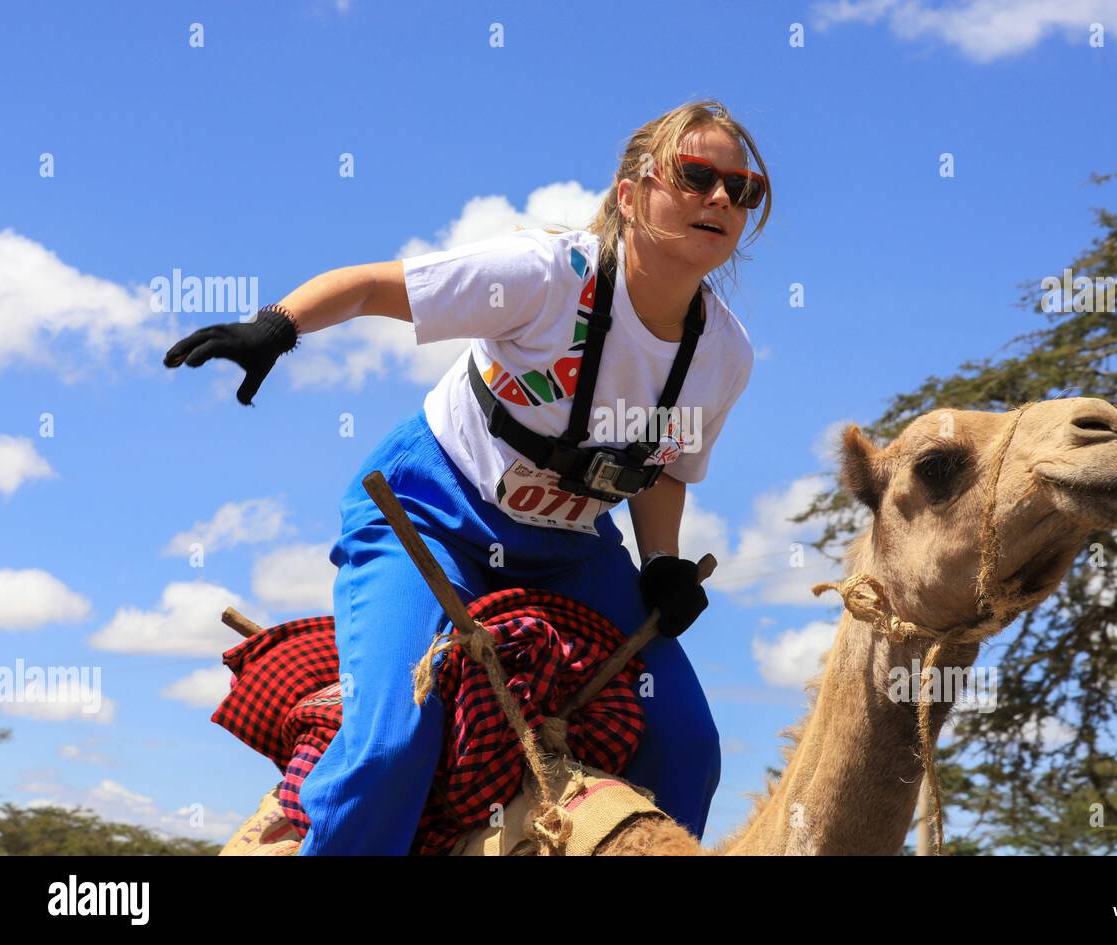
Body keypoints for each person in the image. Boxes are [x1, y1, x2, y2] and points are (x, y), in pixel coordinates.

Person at [163, 99, 771, 854]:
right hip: (429, 517)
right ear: (630, 193)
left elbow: (663, 469)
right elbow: (369, 287)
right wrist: (277, 326)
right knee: (389, 751)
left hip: (575, 551)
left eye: (743, 190)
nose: (720, 199)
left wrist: (663, 563)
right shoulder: (546, 276)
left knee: (686, 744)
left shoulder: (725, 355)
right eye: (696, 175)